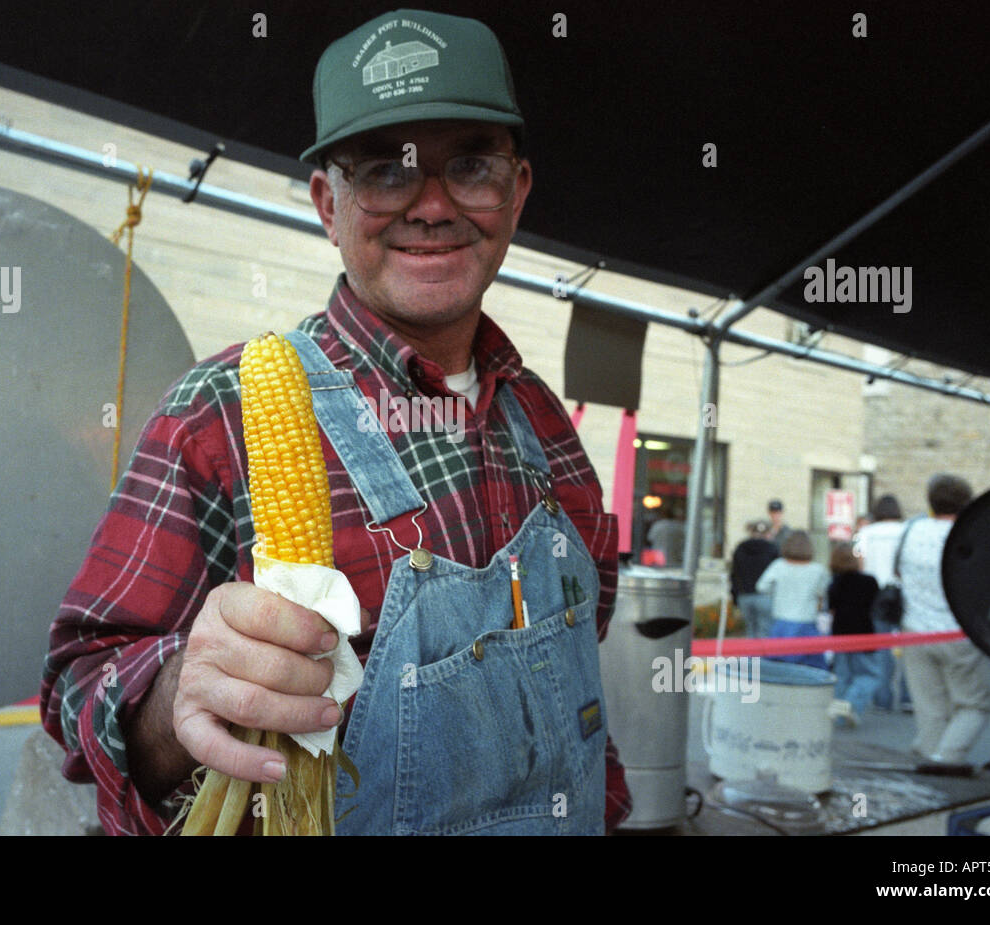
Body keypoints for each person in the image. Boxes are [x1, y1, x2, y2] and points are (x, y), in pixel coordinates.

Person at [41, 9, 630, 835]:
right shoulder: (218, 413)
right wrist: (183, 687)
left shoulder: (544, 421)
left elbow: (582, 654)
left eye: (469, 165)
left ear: (516, 190)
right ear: (327, 202)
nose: (432, 206)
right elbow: (77, 691)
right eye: (388, 172)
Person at [897, 474, 990, 763]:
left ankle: (930, 762)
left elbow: (899, 572)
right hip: (959, 632)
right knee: (974, 704)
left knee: (930, 708)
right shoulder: (972, 536)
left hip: (915, 630)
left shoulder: (911, 531)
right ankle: (948, 759)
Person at [855, 493, 912, 711]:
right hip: (901, 592)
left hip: (875, 594)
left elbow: (860, 563)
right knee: (908, 645)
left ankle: (882, 698)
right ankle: (908, 697)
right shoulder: (907, 531)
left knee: (881, 647)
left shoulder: (865, 532)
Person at [755, 530, 830, 669]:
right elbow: (825, 593)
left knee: (778, 667)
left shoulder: (779, 566)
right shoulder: (818, 570)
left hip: (781, 623)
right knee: (811, 668)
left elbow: (761, 587)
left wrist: (777, 593)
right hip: (806, 623)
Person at [827, 544, 880, 728]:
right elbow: (874, 606)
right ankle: (850, 704)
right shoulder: (869, 581)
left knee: (842, 675)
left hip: (840, 633)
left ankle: (839, 713)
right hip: (864, 632)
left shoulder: (834, 583)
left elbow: (832, 609)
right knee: (869, 674)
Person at [730, 519, 778, 637]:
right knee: (765, 632)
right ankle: (762, 656)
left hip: (744, 596)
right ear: (767, 533)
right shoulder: (773, 549)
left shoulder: (740, 548)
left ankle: (751, 656)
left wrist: (735, 597)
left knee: (749, 632)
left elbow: (734, 575)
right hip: (765, 597)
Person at [646, 501, 687, 568]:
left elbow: (650, 539)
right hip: (676, 559)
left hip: (659, 559)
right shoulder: (679, 526)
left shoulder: (658, 525)